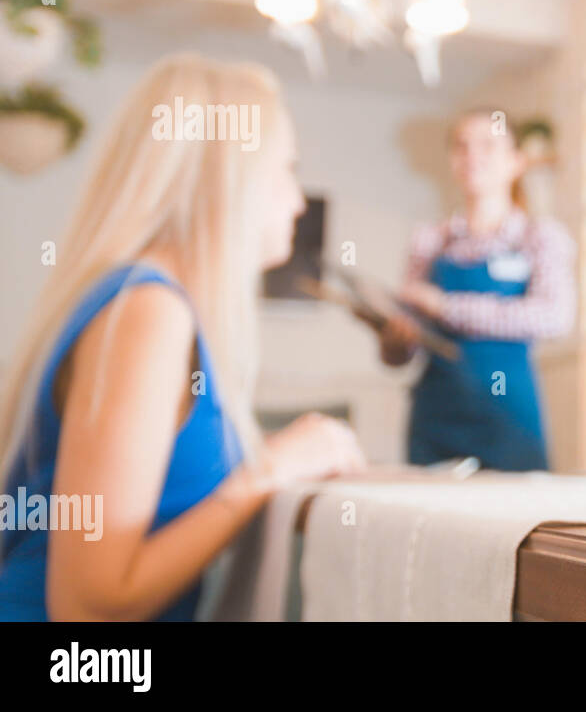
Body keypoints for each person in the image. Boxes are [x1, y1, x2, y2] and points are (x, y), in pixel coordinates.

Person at [0, 54, 367, 621]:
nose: (297, 200)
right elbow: (87, 609)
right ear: (228, 175)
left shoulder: (149, 305)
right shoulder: (149, 312)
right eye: (285, 169)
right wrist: (268, 469)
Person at [377, 108, 575, 470]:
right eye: (461, 146)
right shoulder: (428, 241)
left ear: (516, 161)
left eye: (487, 145)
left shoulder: (540, 238)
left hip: (509, 419)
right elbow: (401, 353)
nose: (472, 156)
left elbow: (554, 317)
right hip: (435, 418)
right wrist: (395, 340)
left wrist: (447, 307)